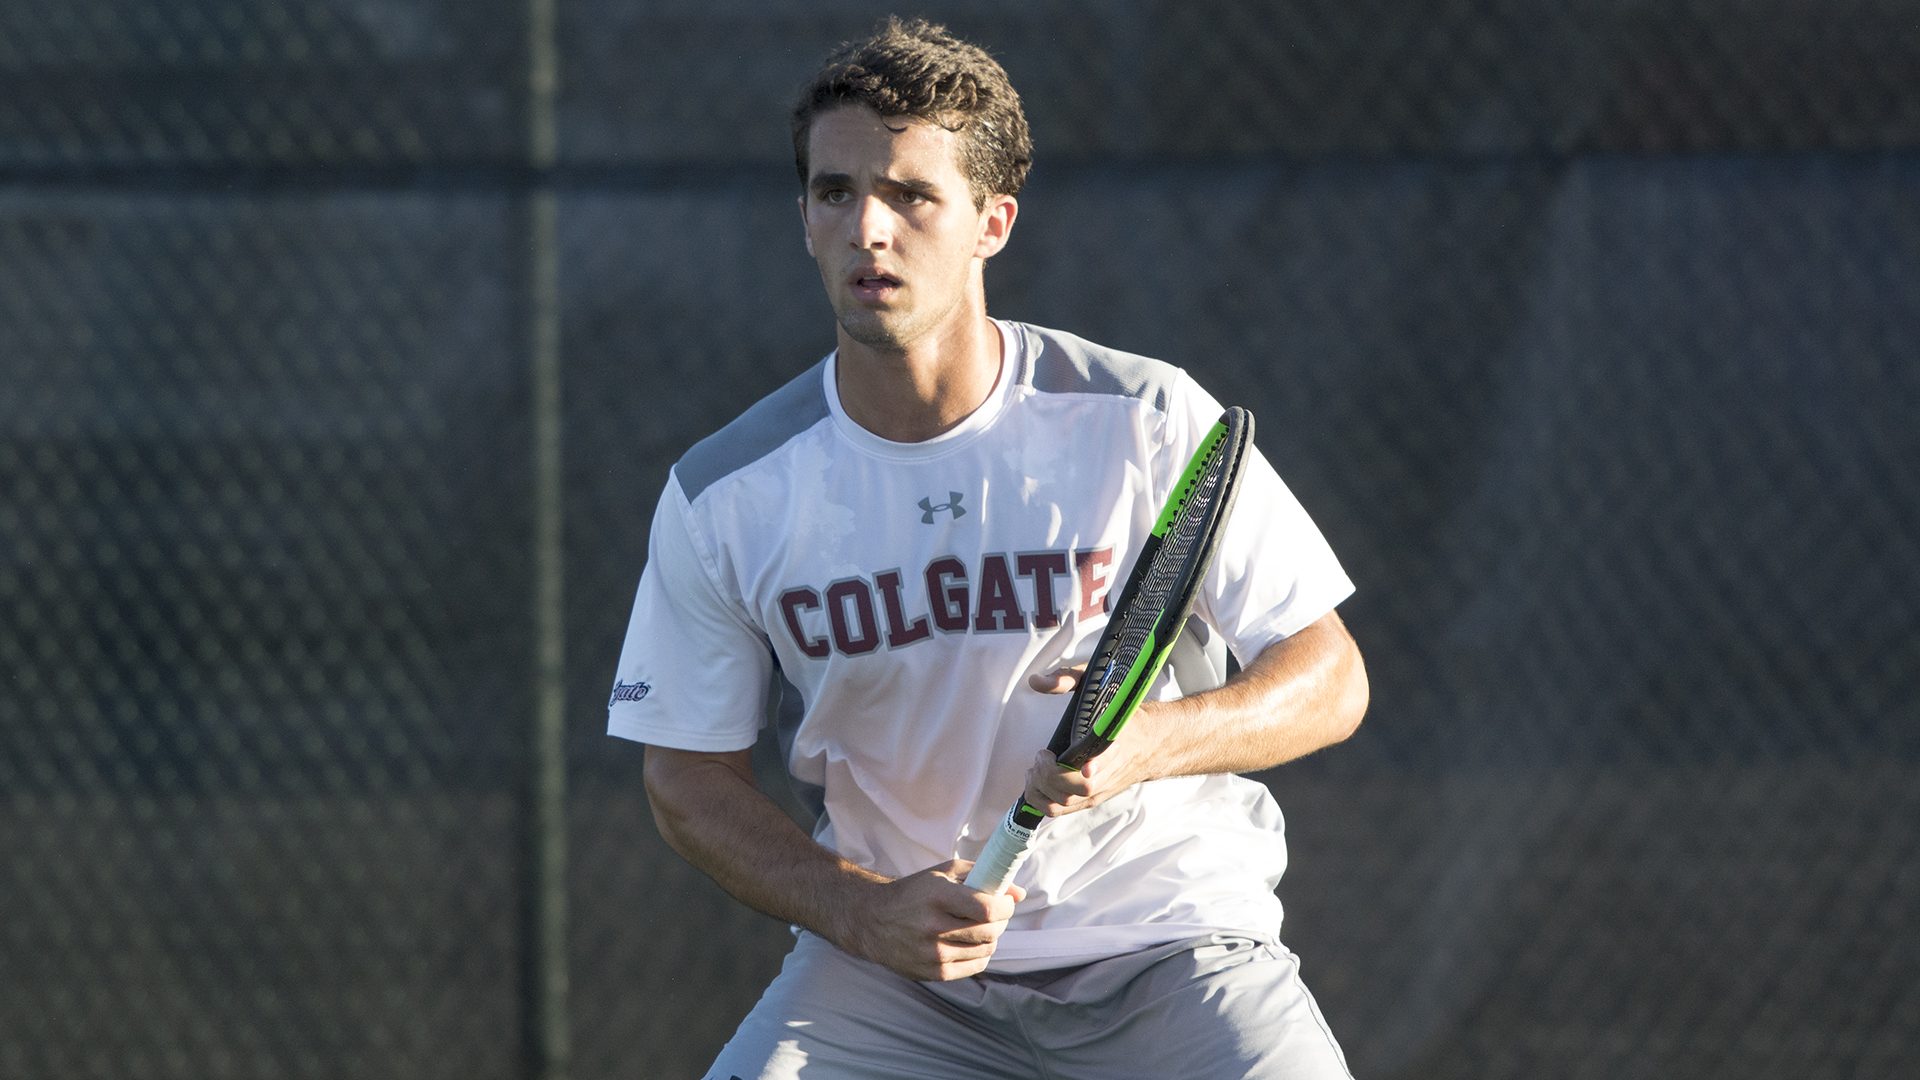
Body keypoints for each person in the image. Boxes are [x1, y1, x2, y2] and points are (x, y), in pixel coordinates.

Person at [610, 17, 1368, 1079]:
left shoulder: (1145, 417)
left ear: (990, 223)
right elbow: (685, 775)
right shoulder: (725, 492)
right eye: (836, 194)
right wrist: (857, 911)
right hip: (893, 983)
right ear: (806, 218)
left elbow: (1328, 677)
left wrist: (1150, 743)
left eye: (911, 195)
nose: (869, 227)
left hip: (1172, 948)